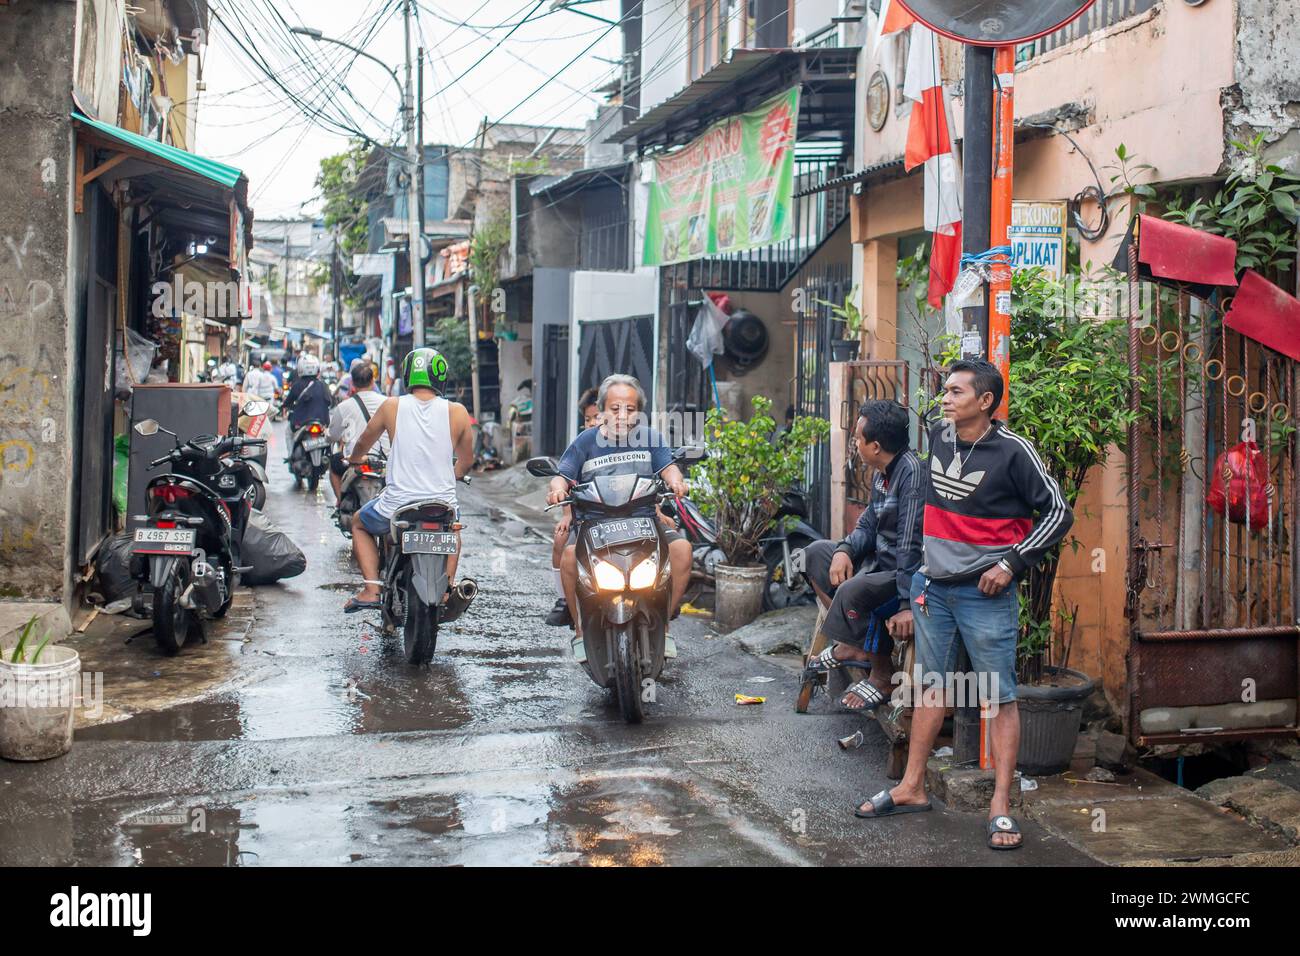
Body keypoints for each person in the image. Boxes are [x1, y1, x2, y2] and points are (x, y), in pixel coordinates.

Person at [854, 359, 1073, 851]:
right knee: (932, 687)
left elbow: (1058, 511)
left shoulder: (1013, 452)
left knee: (997, 696)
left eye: (955, 391)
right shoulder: (937, 435)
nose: (945, 398)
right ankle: (912, 787)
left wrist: (1012, 563)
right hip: (934, 590)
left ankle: (1000, 807)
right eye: (944, 390)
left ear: (986, 401)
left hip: (985, 594)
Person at [546, 374, 691, 661]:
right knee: (568, 557)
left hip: (645, 521)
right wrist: (557, 491)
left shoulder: (651, 438)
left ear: (640, 411)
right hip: (595, 525)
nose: (623, 415)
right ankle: (579, 630)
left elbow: (669, 468)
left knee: (683, 550)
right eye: (615, 409)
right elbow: (561, 477)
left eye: (630, 409)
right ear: (601, 411)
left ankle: (663, 626)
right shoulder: (585, 441)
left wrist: (677, 482)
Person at [800, 400, 923, 710]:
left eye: (857, 438)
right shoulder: (881, 474)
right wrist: (843, 550)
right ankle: (855, 642)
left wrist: (908, 604)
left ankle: (881, 674)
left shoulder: (911, 475)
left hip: (906, 575)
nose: (854, 443)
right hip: (879, 562)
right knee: (813, 555)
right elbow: (869, 523)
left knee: (853, 590)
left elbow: (909, 545)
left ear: (876, 445)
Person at [344, 348, 474, 612]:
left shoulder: (392, 405)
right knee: (453, 530)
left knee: (358, 523)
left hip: (397, 505)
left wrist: (354, 459)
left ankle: (371, 589)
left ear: (407, 376)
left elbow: (364, 441)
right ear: (441, 376)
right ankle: (447, 589)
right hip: (441, 504)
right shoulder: (458, 412)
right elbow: (467, 459)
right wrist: (455, 474)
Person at [544, 388, 601, 627]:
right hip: (586, 519)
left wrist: (659, 512)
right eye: (587, 419)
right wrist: (566, 514)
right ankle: (564, 599)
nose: (591, 423)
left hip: (625, 518)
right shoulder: (581, 446)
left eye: (597, 417)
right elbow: (566, 480)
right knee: (560, 539)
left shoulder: (627, 443)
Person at [327, 361, 389, 500]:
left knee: (334, 465)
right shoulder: (387, 403)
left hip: (354, 460)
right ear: (373, 381)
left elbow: (332, 435)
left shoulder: (343, 407)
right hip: (384, 460)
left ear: (352, 383)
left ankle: (340, 502)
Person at [285, 352, 332, 431]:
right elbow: (329, 402)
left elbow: (288, 402)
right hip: (322, 422)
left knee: (288, 433)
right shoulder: (323, 385)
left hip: (301, 423)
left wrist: (283, 407)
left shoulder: (297, 385)